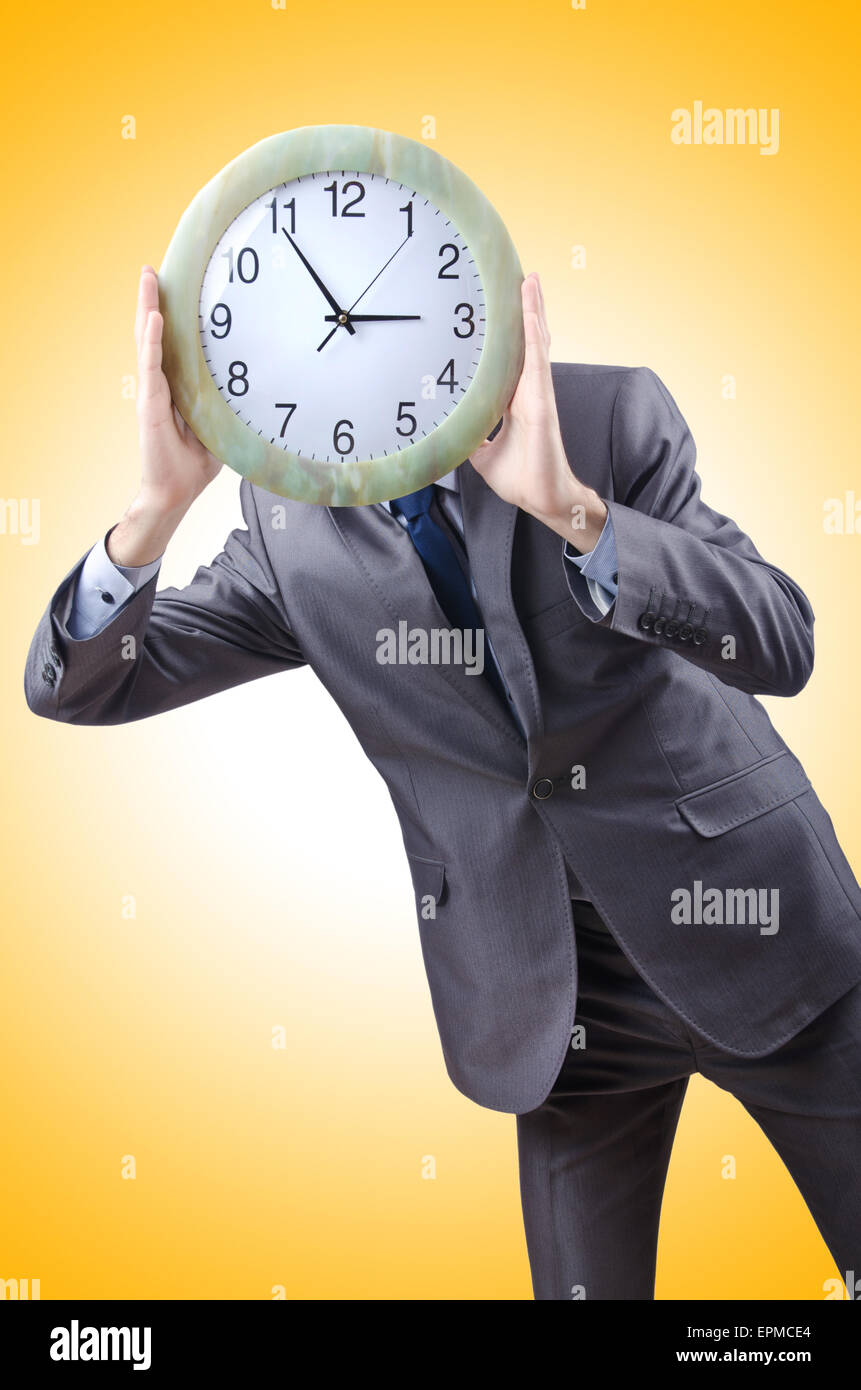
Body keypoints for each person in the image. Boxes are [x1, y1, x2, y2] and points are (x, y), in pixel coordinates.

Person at [25, 266, 861, 1300]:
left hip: (767, 939)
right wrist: (150, 516)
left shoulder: (603, 414)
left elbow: (779, 640)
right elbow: (82, 688)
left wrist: (574, 510)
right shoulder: (287, 527)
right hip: (560, 1016)